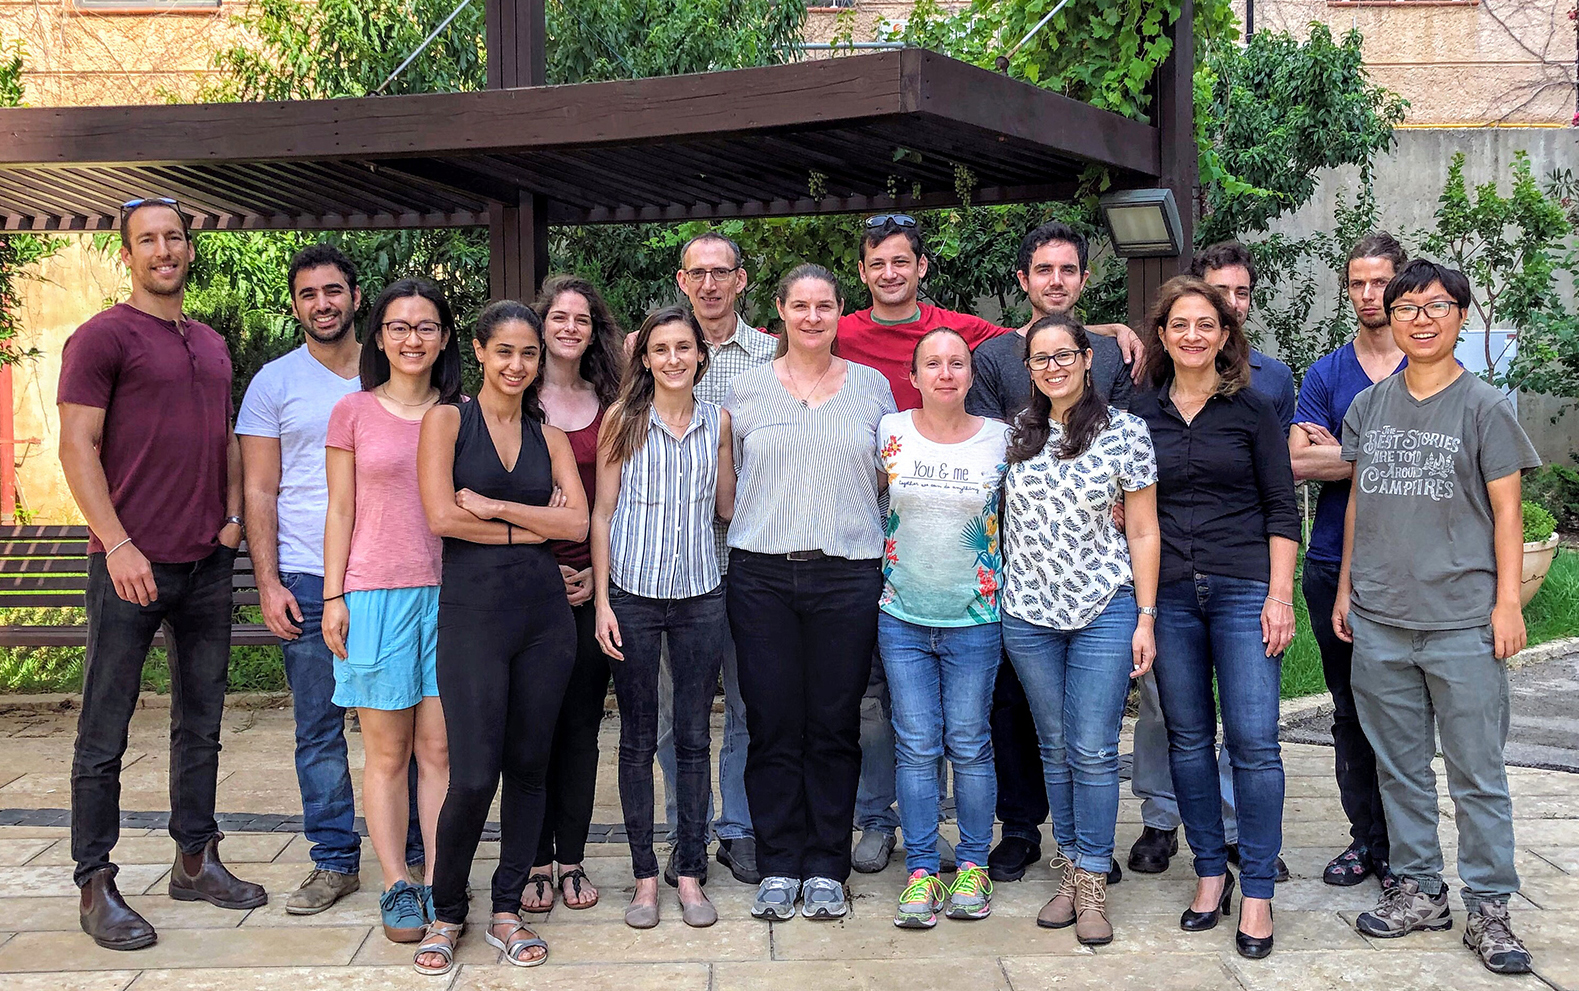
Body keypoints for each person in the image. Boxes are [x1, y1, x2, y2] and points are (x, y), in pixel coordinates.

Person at [59, 196, 264, 951]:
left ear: (189, 248)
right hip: (128, 566)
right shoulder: (102, 336)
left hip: (204, 563)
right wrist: (117, 543)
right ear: (128, 255)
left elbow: (226, 438)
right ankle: (94, 882)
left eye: (174, 237)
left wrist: (233, 519)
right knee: (103, 731)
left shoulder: (209, 342)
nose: (163, 250)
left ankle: (195, 858)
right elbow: (75, 446)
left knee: (201, 725)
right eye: (147, 240)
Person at [1335, 259, 1540, 975]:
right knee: (1399, 768)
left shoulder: (1484, 406)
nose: (1420, 320)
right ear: (1388, 318)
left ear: (1460, 316)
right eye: (1406, 308)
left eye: (1436, 306)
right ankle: (1419, 889)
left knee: (1476, 772)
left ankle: (1489, 905)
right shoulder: (1369, 406)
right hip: (1380, 618)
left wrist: (1506, 601)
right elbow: (1359, 501)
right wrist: (1345, 588)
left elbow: (1508, 512)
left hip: (1462, 621)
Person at [239, 244, 426, 915]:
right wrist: (269, 582)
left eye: (333, 291)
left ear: (356, 298)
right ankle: (334, 859)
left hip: (397, 576)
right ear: (296, 305)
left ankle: (412, 858)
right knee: (319, 727)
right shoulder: (274, 383)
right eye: (308, 294)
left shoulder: (396, 370)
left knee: (408, 727)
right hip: (310, 574)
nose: (322, 304)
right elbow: (259, 490)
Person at [414, 300, 588, 975]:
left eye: (529, 353)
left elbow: (576, 525)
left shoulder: (550, 438)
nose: (517, 364)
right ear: (481, 352)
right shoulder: (447, 421)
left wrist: (492, 508)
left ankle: (508, 908)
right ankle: (446, 910)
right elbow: (441, 517)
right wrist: (531, 526)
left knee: (529, 768)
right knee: (473, 774)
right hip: (473, 617)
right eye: (505, 351)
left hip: (545, 620)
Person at [1131, 276, 1299, 960]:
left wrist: (1280, 594)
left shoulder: (1253, 410)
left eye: (1206, 324)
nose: (1193, 335)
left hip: (1243, 590)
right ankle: (1208, 873)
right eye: (1180, 324)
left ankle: (1255, 889)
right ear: (1162, 336)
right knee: (1188, 740)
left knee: (1254, 742)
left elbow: (1282, 507)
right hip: (1169, 593)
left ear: (1225, 335)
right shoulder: (1138, 414)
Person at [725, 264, 896, 922]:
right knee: (771, 724)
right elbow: (729, 485)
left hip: (846, 573)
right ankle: (778, 862)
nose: (812, 316)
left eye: (824, 305)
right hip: (761, 575)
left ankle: (826, 864)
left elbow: (885, 478)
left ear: (839, 311)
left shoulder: (872, 387)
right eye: (800, 305)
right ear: (780, 310)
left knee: (833, 723)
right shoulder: (744, 389)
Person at [965, 222, 1134, 885]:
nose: (1055, 280)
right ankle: (1019, 828)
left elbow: (1128, 447)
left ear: (1084, 279)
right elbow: (984, 453)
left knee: (1087, 734)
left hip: (1094, 567)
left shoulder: (1113, 355)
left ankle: (1087, 849)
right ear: (1023, 280)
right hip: (1021, 568)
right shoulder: (992, 359)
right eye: (1043, 270)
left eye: (1068, 270)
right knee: (1013, 709)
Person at [1000, 313, 1161, 946]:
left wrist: (1146, 615)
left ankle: (1093, 876)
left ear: (1088, 358)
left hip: (1105, 607)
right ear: (1029, 369)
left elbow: (1143, 529)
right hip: (1028, 613)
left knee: (1093, 749)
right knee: (1055, 746)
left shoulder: (1125, 432)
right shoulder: (1015, 433)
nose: (1054, 367)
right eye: (1040, 359)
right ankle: (1068, 869)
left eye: (1064, 355)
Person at [322, 279, 458, 943]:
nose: (412, 338)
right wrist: (333, 595)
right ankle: (396, 882)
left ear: (444, 338)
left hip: (451, 595)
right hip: (375, 595)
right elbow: (340, 509)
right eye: (399, 326)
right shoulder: (352, 412)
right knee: (386, 753)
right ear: (379, 336)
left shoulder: (461, 412)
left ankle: (438, 877)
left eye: (426, 326)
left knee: (439, 750)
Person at [592, 306, 736, 929]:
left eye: (683, 347)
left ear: (701, 355)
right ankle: (645, 877)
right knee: (636, 738)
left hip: (701, 594)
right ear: (644, 359)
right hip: (633, 595)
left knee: (695, 737)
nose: (673, 359)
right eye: (660, 349)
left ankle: (691, 873)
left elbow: (725, 507)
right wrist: (602, 601)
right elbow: (602, 514)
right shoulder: (622, 420)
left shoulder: (718, 422)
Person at [877, 329, 1009, 929]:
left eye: (957, 363)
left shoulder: (1001, 440)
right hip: (902, 614)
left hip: (975, 617)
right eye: (933, 363)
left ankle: (974, 865)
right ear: (914, 376)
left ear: (971, 375)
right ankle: (922, 870)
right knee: (916, 745)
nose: (946, 373)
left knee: (971, 742)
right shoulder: (890, 432)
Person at [1288, 233, 1408, 888]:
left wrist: (1345, 450)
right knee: (1349, 711)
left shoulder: (1427, 364)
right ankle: (1366, 841)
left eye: (1378, 281)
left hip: (1409, 568)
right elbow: (1298, 461)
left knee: (1401, 715)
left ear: (1400, 283)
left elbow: (1442, 456)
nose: (1367, 294)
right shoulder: (1328, 373)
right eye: (1356, 282)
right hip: (1333, 563)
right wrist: (1388, 451)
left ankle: (1405, 850)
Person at [656, 232, 776, 886]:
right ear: (682, 280)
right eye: (696, 273)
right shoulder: (655, 350)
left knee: (748, 707)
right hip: (673, 573)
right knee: (678, 712)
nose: (708, 284)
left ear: (740, 279)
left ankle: (739, 827)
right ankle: (688, 831)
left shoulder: (772, 356)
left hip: (749, 562)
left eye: (720, 272)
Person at [521, 275, 624, 913]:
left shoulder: (610, 402)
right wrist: (542, 571)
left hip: (592, 586)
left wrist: (596, 577)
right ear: (541, 324)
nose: (569, 328)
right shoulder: (512, 396)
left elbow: (618, 504)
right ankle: (533, 860)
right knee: (532, 730)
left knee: (582, 730)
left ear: (594, 332)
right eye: (558, 317)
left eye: (581, 320)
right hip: (526, 587)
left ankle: (573, 859)